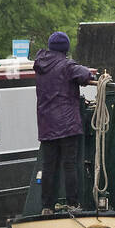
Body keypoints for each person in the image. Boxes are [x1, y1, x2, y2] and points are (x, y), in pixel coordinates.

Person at [33, 31, 95, 214]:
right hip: (67, 124)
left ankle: (47, 206)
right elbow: (84, 75)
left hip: (46, 123)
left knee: (48, 166)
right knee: (70, 165)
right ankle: (73, 204)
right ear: (66, 48)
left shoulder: (40, 65)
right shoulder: (67, 65)